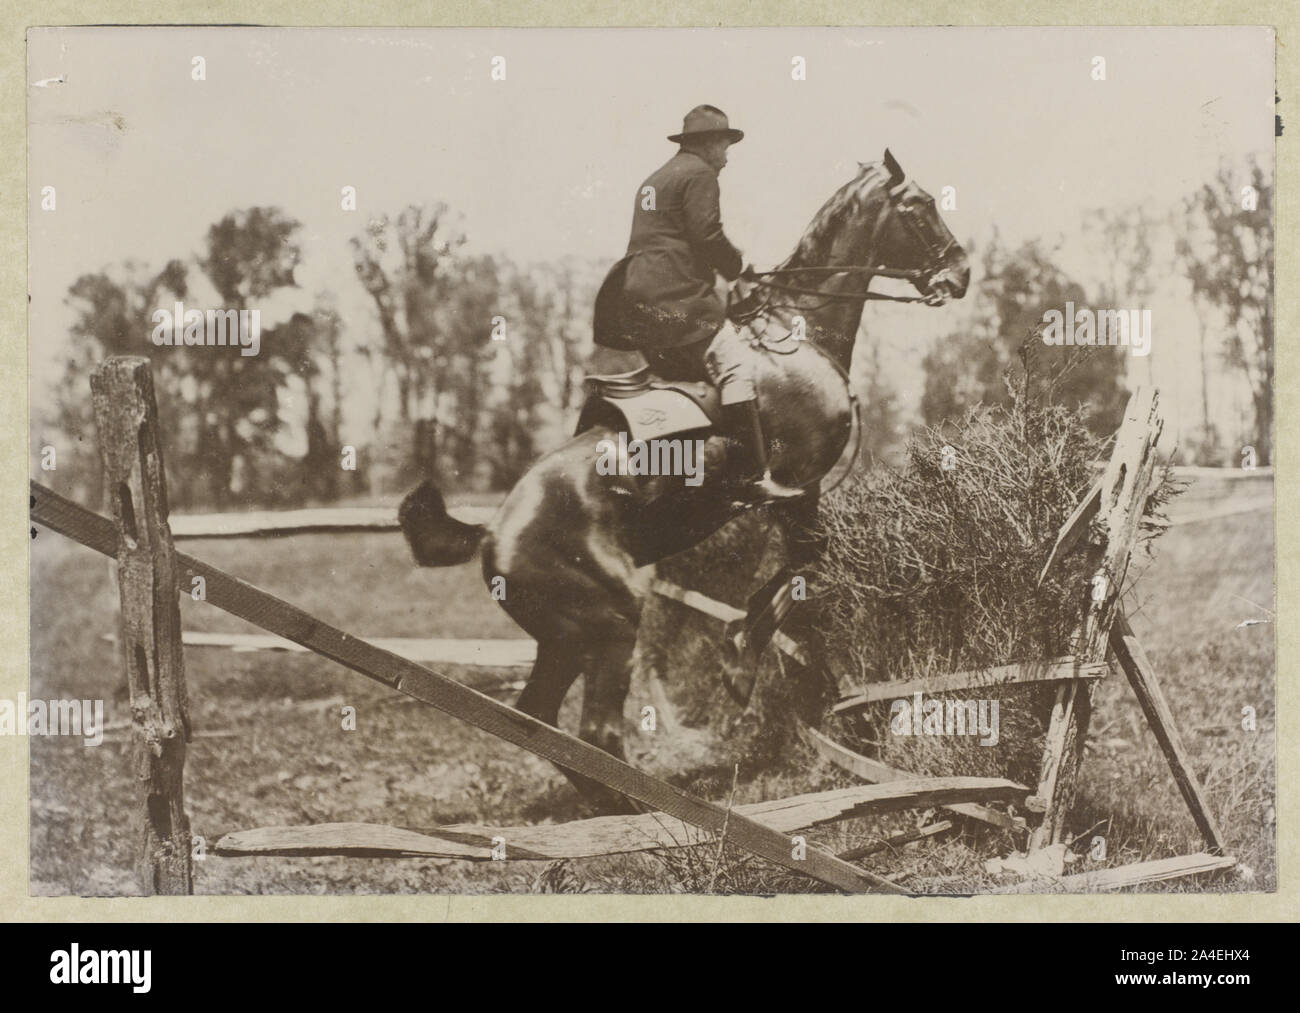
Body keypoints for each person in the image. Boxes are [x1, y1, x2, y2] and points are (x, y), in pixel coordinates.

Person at [594, 105, 797, 499]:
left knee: (691, 384)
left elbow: (673, 241)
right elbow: (706, 237)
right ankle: (752, 478)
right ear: (707, 144)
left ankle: (687, 469)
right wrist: (740, 266)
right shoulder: (700, 174)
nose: (726, 156)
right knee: (735, 365)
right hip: (676, 299)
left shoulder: (655, 179)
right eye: (724, 145)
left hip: (636, 302)